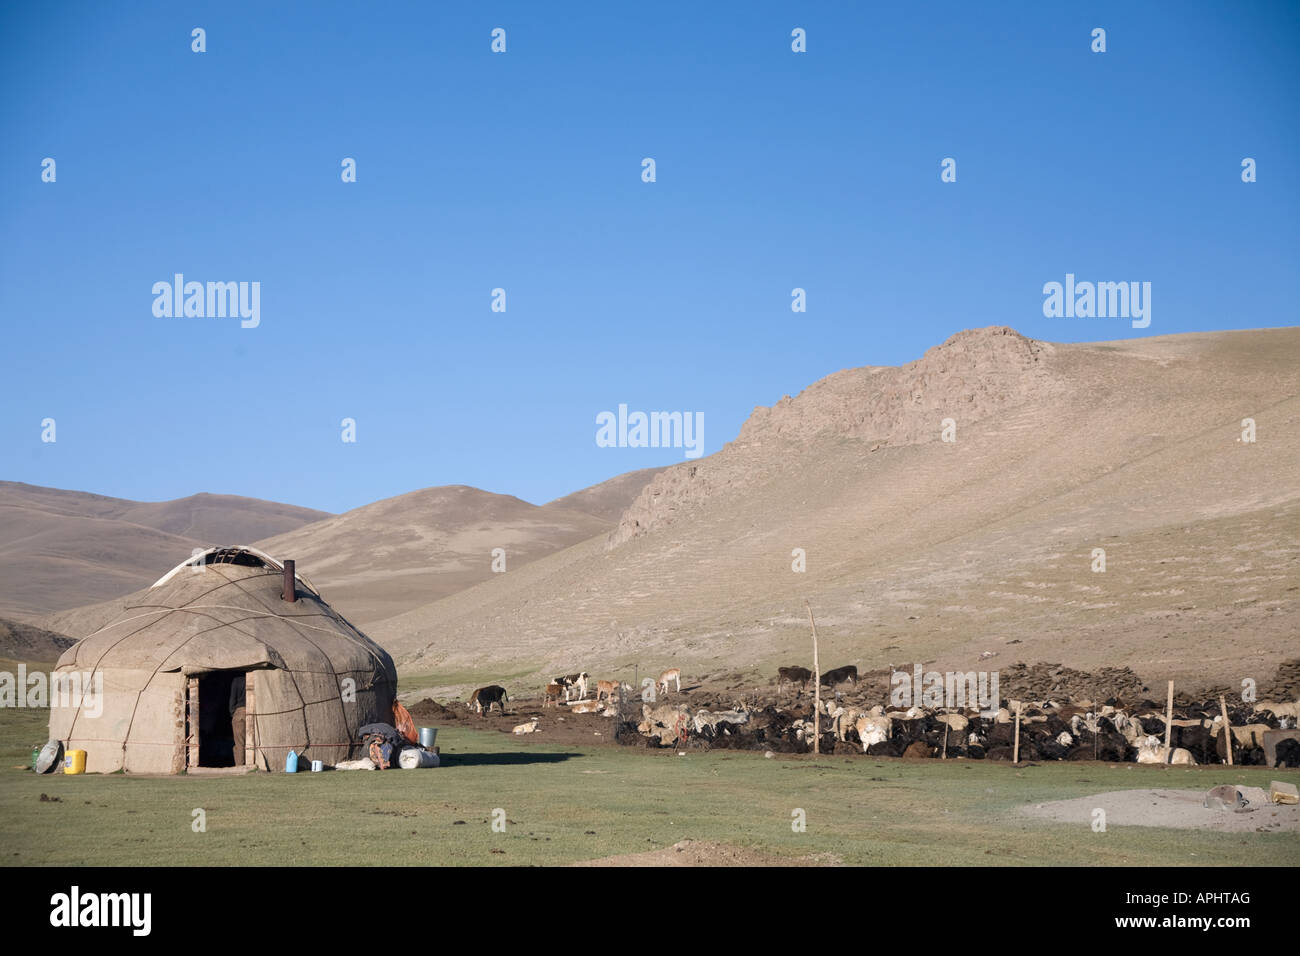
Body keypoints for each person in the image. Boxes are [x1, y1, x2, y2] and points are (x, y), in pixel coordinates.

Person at [229, 673, 247, 766]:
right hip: (255, 712)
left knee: (240, 743)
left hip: (239, 712)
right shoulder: (256, 677)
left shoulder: (237, 680)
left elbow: (232, 699)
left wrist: (233, 713)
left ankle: (240, 766)